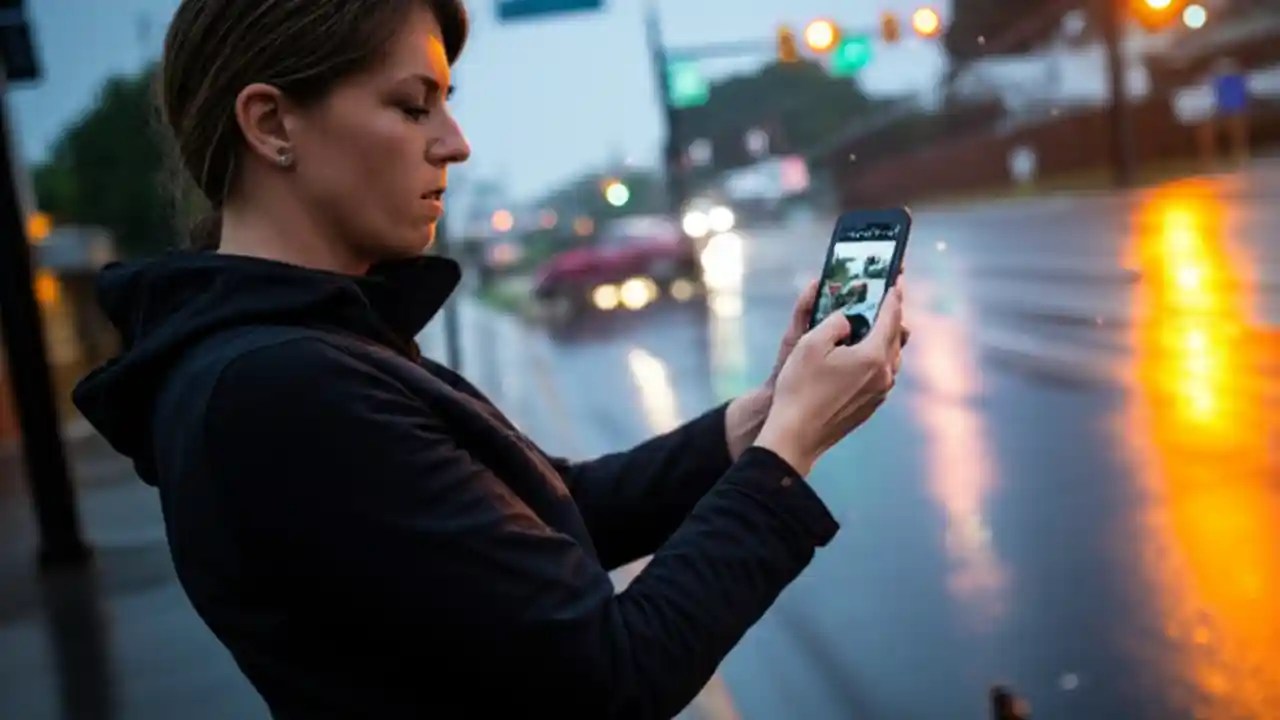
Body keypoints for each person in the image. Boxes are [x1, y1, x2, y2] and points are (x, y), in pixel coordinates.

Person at [71, 0, 908, 717]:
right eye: (413, 106)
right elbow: (607, 679)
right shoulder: (280, 390)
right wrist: (787, 450)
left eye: (448, 103)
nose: (456, 142)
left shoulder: (307, 348)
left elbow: (551, 506)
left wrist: (761, 416)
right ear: (271, 123)